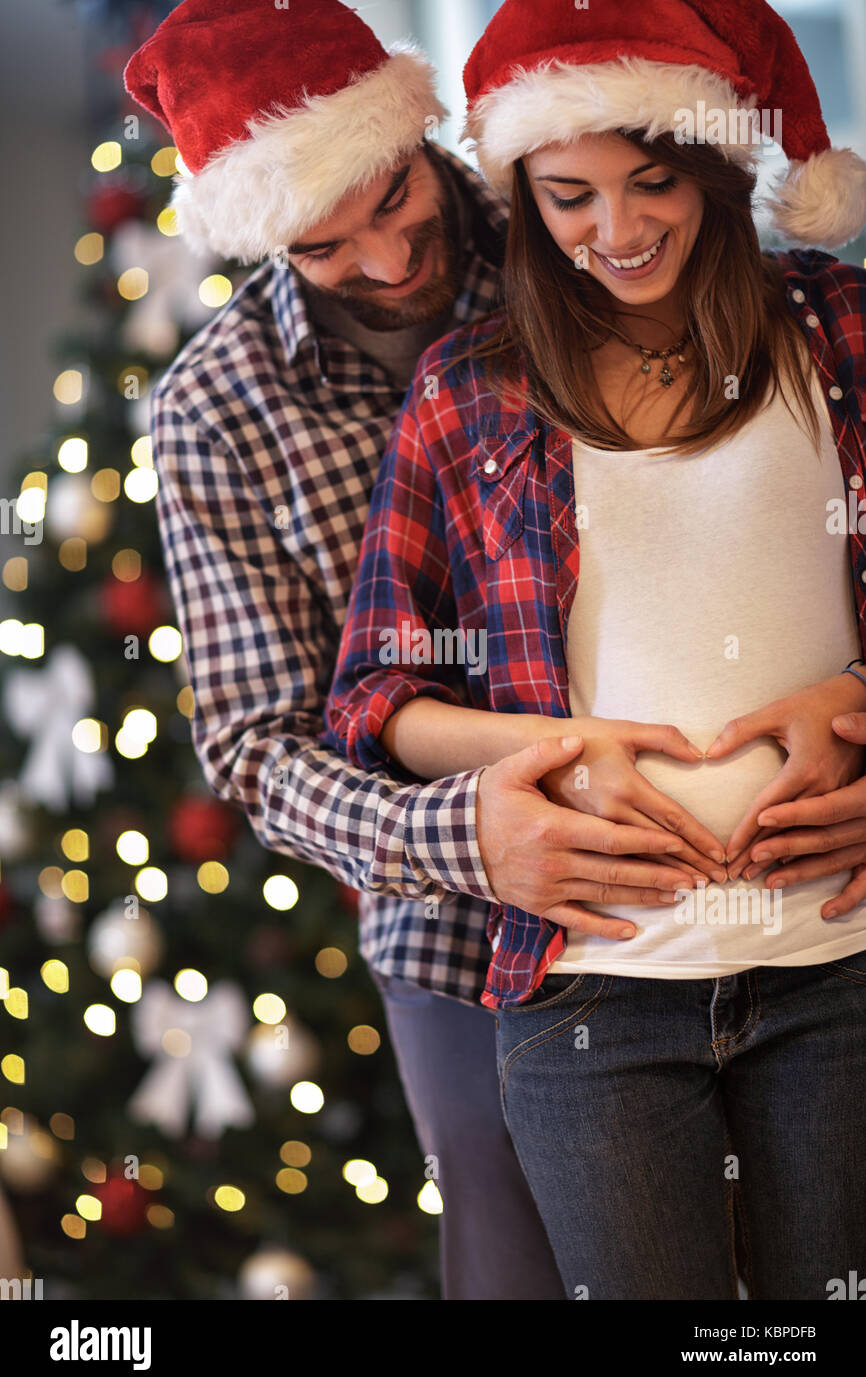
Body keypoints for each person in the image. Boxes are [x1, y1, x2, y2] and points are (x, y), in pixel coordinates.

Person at [124, 0, 712, 1300]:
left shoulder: (574, 228)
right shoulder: (218, 408)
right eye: (325, 244)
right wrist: (474, 835)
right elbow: (253, 743)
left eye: (394, 197)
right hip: (452, 918)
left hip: (707, 825)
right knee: (511, 1260)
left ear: (416, 130)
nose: (391, 256)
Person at [323, 0, 866, 1299]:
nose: (613, 232)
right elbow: (376, 697)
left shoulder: (838, 329)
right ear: (521, 189)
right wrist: (557, 748)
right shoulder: (469, 384)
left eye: (651, 184)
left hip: (833, 971)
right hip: (591, 992)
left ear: (713, 166)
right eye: (568, 196)